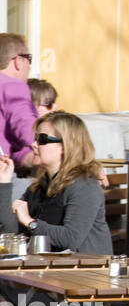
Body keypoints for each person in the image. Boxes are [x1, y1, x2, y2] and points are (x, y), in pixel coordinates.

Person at [0, 111, 112, 254]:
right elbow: (11, 232)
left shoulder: (85, 185)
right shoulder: (39, 187)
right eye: (35, 138)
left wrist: (30, 222)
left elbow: (70, 238)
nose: (34, 144)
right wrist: (4, 183)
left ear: (66, 146)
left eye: (42, 139)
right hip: (48, 268)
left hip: (85, 271)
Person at [0, 33, 38, 171]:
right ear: (18, 61)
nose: (30, 66)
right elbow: (28, 133)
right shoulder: (12, 86)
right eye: (29, 59)